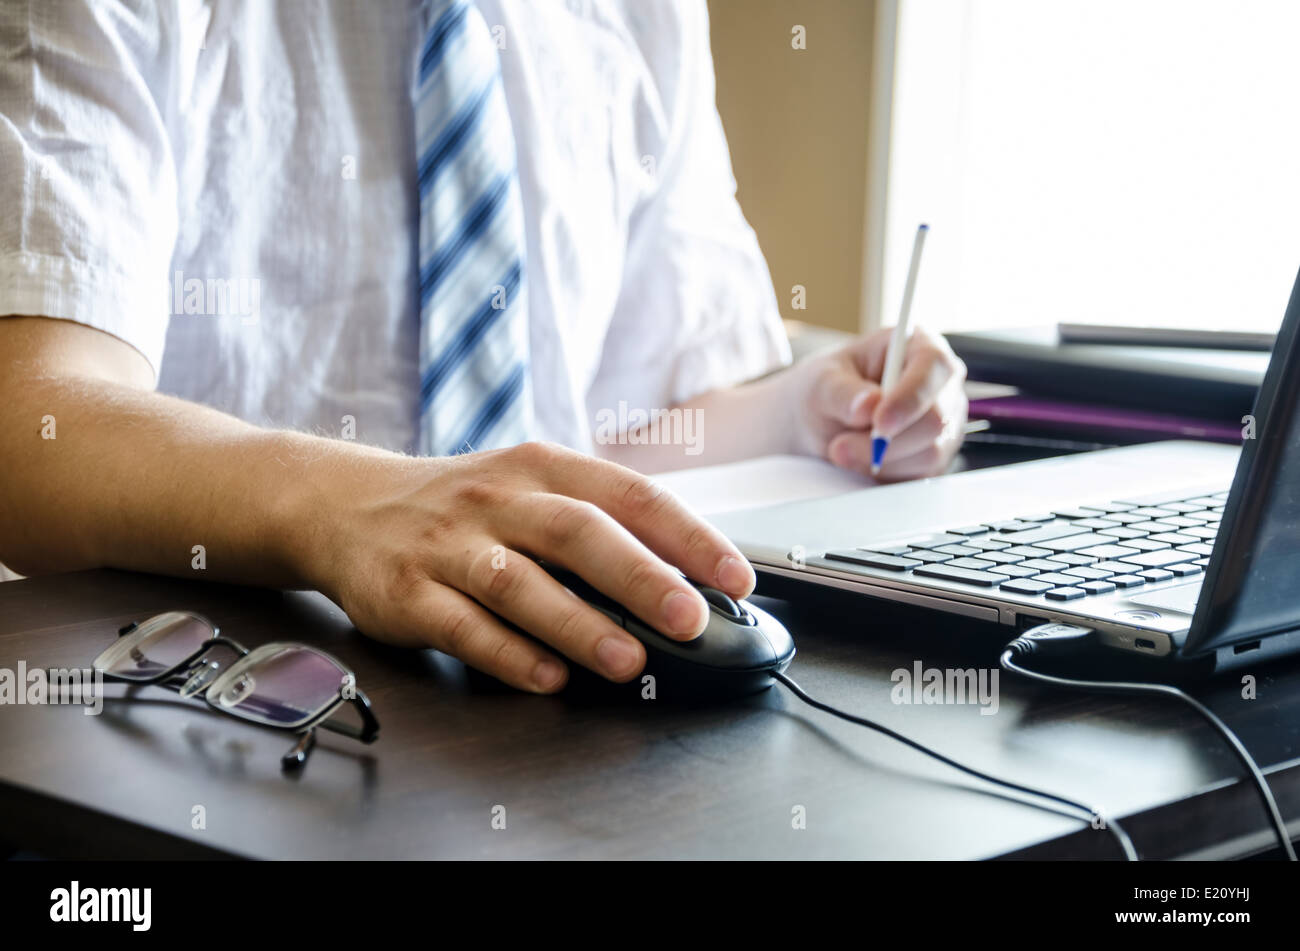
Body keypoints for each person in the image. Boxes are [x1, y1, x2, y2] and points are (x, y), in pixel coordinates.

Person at [0, 0, 966, 694]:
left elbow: (617, 437)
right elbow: (32, 424)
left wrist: (801, 411)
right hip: (204, 702)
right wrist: (347, 511)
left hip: (532, 712)